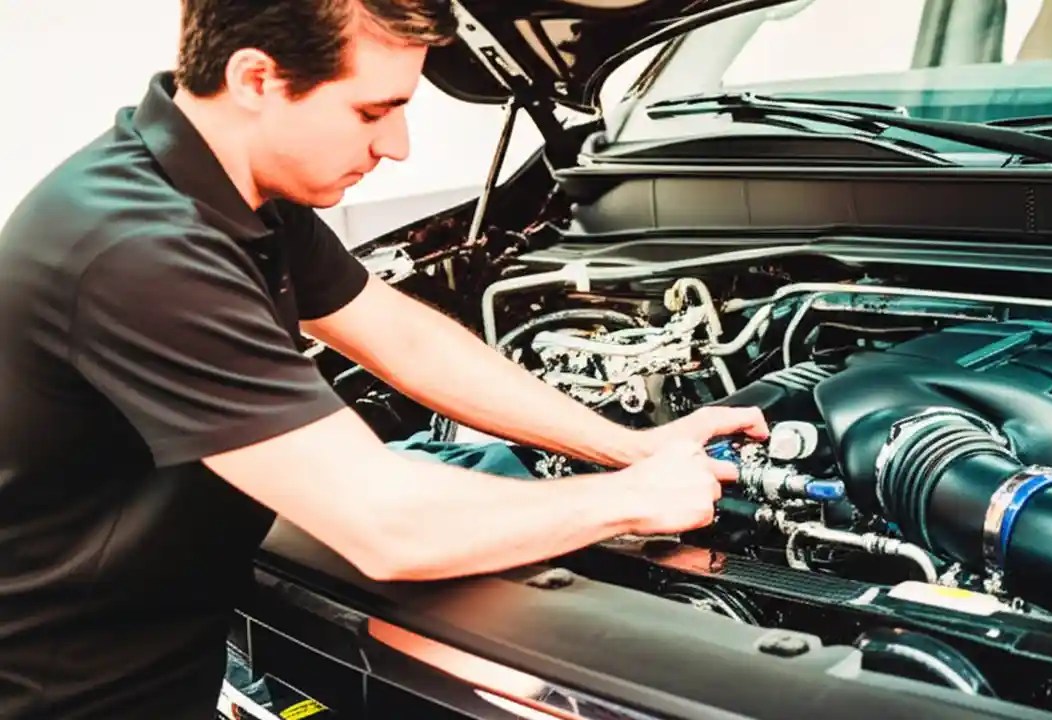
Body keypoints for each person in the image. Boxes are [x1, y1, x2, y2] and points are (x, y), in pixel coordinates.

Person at [0, 1, 768, 718]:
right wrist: (632, 499)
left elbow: (400, 336)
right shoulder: (138, 249)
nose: (396, 147)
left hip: (166, 653)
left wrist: (633, 444)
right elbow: (389, 528)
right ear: (255, 79)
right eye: (375, 110)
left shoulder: (231, 191)